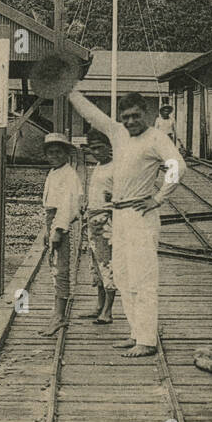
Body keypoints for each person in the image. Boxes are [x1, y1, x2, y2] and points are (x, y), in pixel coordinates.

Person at [67, 89, 184, 358]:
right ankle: (135, 332)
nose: (130, 121)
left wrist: (158, 198)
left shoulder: (156, 138)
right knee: (122, 275)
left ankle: (147, 339)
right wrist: (70, 90)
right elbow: (92, 114)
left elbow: (179, 165)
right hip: (118, 214)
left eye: (135, 116)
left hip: (141, 215)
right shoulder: (118, 133)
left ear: (147, 114)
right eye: (126, 117)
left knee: (143, 278)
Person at [38, 132, 81, 337]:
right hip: (52, 219)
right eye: (50, 153)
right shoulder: (54, 172)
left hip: (61, 222)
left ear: (66, 154)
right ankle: (57, 313)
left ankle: (59, 316)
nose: (54, 156)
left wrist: (57, 229)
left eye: (58, 152)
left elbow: (68, 205)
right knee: (54, 268)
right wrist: (47, 229)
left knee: (61, 269)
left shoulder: (69, 175)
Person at [82, 129, 116, 324]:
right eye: (92, 148)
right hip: (92, 219)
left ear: (109, 147)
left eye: (99, 147)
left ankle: (108, 311)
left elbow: (119, 195)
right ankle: (99, 305)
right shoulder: (98, 166)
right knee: (95, 265)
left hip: (107, 221)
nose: (96, 152)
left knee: (107, 264)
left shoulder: (116, 167)